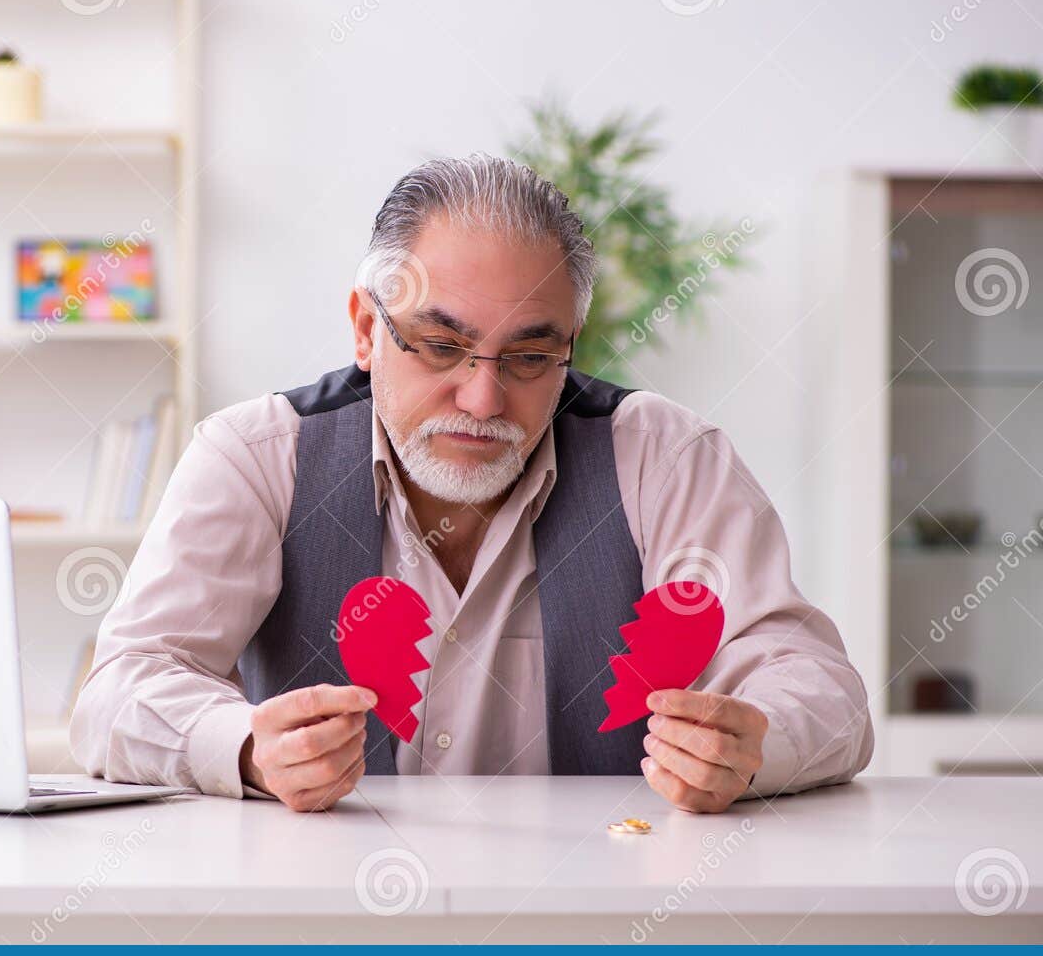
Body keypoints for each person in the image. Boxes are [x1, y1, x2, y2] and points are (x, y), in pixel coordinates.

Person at [70, 153, 873, 813]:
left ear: (571, 344)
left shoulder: (664, 457)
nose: (483, 399)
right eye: (440, 346)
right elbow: (118, 693)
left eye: (529, 357)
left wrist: (752, 741)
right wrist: (245, 746)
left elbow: (823, 690)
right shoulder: (256, 455)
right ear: (364, 329)